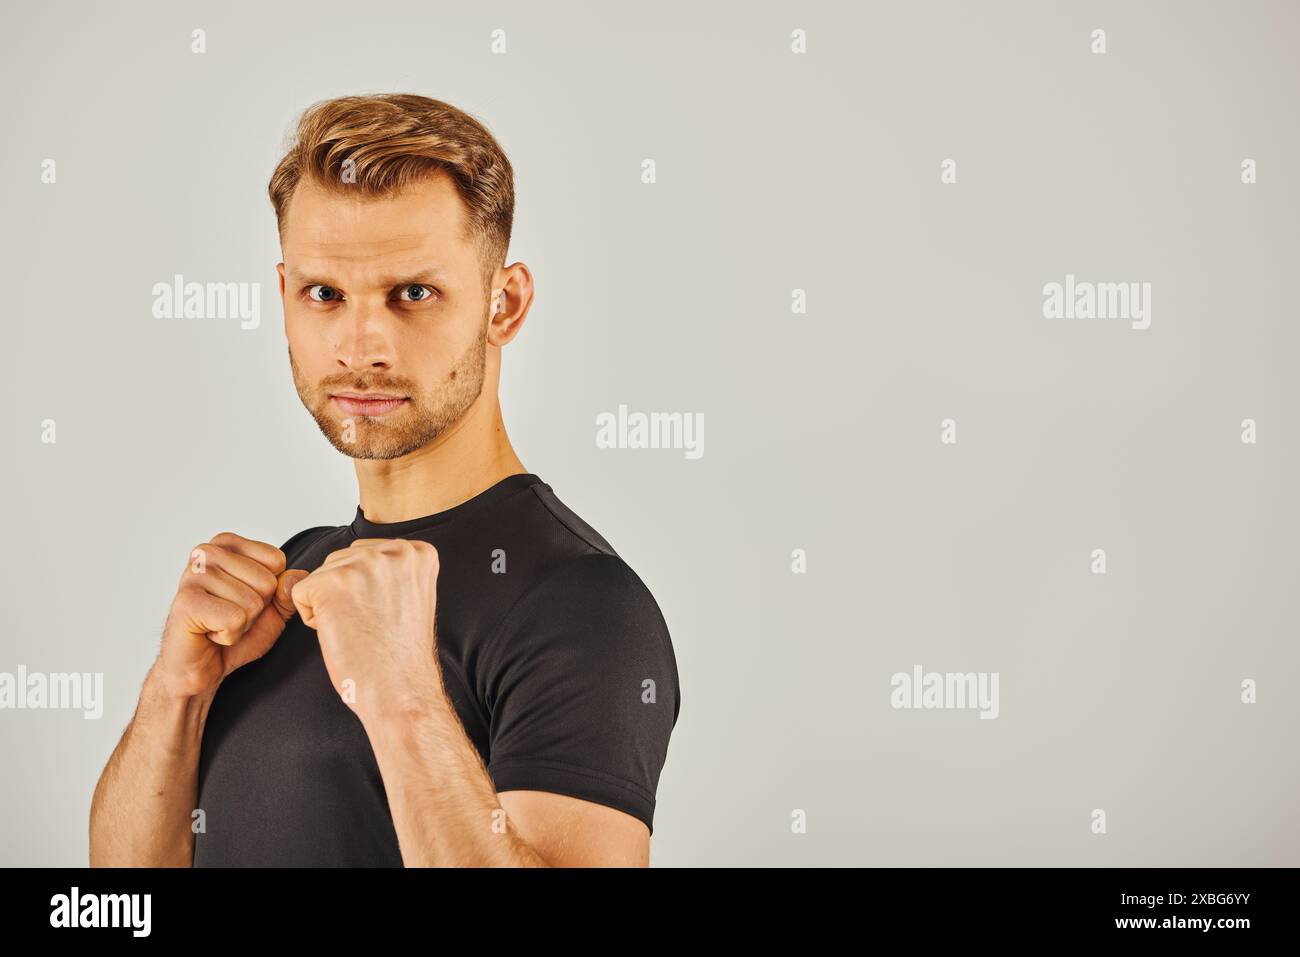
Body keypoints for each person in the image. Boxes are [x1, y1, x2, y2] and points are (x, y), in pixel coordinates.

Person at [88, 93, 682, 867]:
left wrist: (403, 698)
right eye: (325, 294)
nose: (360, 344)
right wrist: (176, 693)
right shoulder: (292, 579)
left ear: (504, 304)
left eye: (413, 293)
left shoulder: (584, 605)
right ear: (284, 299)